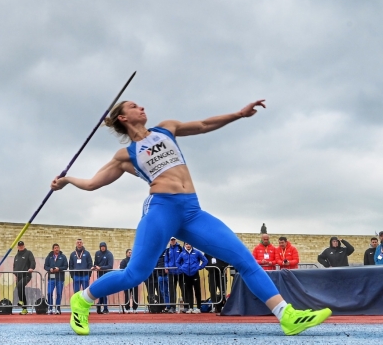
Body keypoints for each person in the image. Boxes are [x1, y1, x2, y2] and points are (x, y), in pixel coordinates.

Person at [50, 99, 331, 336]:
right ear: (123, 117)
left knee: (244, 259)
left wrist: (239, 114)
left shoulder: (166, 129)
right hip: (161, 209)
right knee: (136, 274)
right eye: (135, 106)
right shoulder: (126, 154)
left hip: (192, 210)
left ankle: (287, 316)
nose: (142, 107)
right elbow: (93, 183)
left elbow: (204, 125)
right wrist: (68, 180)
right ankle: (82, 300)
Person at [178, 243, 208, 314]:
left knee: (197, 291)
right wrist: (181, 268)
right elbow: (177, 262)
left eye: (189, 244)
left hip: (195, 274)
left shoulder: (197, 252)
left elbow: (205, 260)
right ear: (185, 245)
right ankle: (190, 307)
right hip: (186, 274)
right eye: (187, 244)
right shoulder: (182, 253)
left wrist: (200, 267)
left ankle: (198, 308)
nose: (188, 246)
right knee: (189, 291)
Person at [44, 243, 68, 314]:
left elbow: (66, 266)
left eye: (58, 247)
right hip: (51, 278)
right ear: (53, 249)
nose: (57, 249)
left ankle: (58, 309)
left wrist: (59, 269)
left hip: (60, 278)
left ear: (59, 248)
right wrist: (50, 269)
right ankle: (50, 308)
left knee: (59, 293)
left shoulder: (63, 257)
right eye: (55, 248)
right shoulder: (49, 257)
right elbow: (45, 266)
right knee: (49, 293)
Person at [13, 241, 36, 314]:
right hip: (18, 276)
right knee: (20, 289)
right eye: (19, 246)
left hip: (26, 275)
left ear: (24, 246)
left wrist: (31, 268)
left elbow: (32, 261)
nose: (21, 247)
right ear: (17, 247)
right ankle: (24, 309)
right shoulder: (16, 256)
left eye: (22, 245)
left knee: (20, 285)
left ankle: (21, 301)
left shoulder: (28, 253)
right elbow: (15, 266)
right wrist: (15, 274)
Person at [92, 242, 114, 314]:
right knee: (101, 291)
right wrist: (94, 266)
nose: (103, 248)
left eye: (104, 246)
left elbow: (110, 266)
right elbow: (95, 263)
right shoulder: (97, 253)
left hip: (107, 275)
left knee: (105, 291)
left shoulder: (109, 254)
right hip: (99, 275)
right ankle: (100, 305)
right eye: (101, 246)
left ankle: (105, 308)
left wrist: (101, 268)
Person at [163, 237, 183, 312]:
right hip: (171, 273)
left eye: (174, 239)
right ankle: (172, 307)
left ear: (176, 240)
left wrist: (182, 267)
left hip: (180, 272)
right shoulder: (168, 250)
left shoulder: (180, 248)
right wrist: (166, 267)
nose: (173, 241)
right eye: (171, 240)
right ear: (170, 241)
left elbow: (183, 259)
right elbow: (166, 260)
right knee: (172, 290)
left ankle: (186, 306)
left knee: (183, 289)